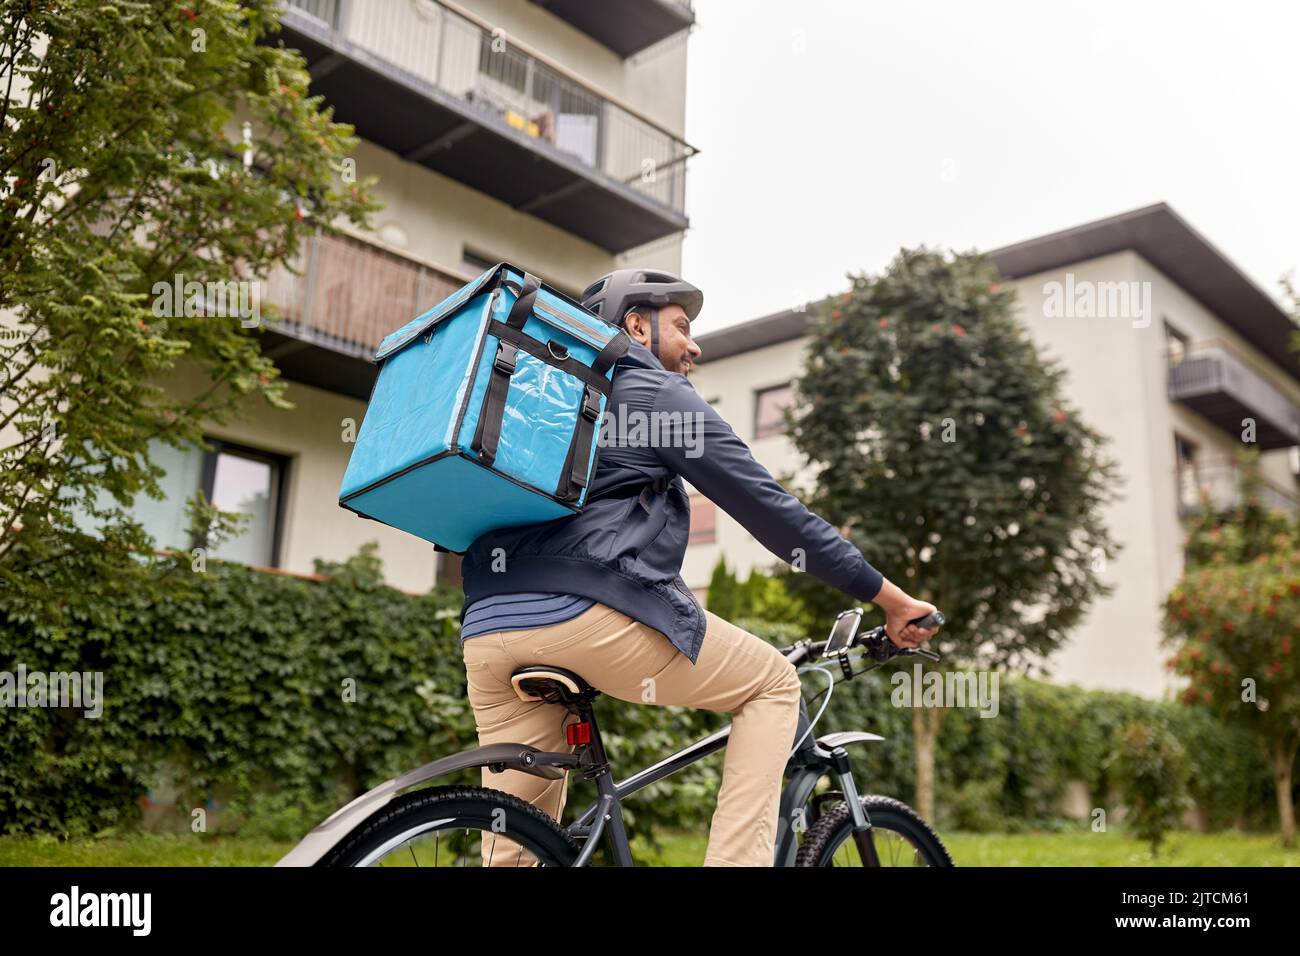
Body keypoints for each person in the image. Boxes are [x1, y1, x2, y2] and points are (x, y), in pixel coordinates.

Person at [457, 268, 939, 866]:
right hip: (584, 612)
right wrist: (890, 599)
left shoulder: (544, 400)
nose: (695, 345)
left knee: (515, 852)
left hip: (486, 626)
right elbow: (771, 512)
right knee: (772, 684)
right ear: (635, 325)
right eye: (682, 327)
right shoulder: (652, 393)